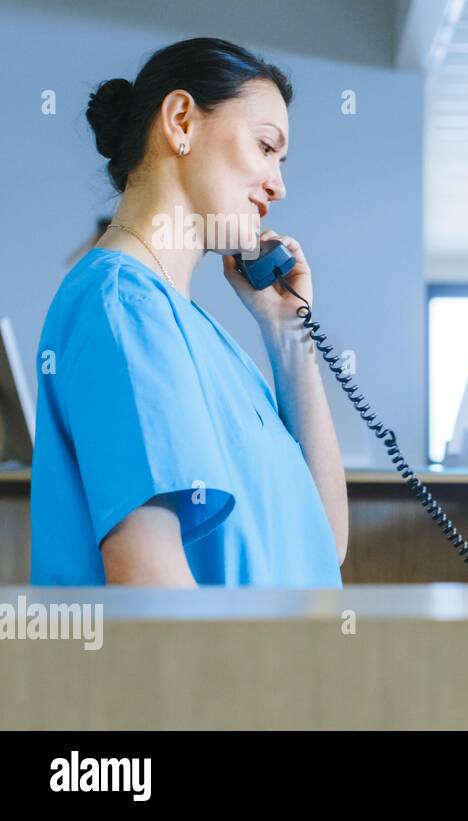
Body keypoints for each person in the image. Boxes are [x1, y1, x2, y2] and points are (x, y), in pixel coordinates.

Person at [31, 38, 347, 586]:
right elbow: (152, 589)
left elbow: (326, 542)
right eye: (266, 147)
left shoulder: (195, 331)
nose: (278, 184)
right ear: (180, 121)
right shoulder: (123, 309)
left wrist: (288, 335)